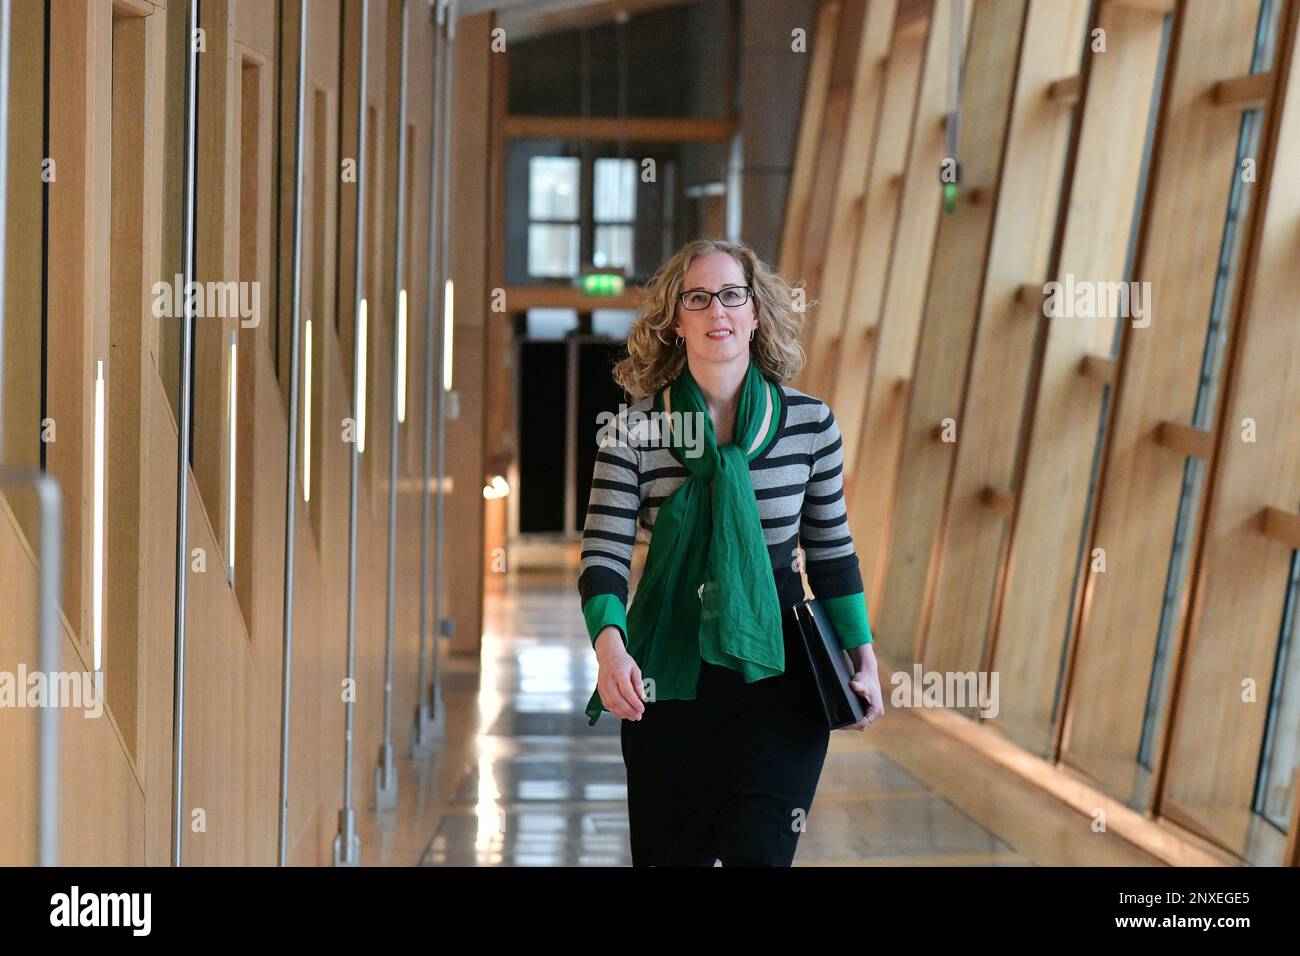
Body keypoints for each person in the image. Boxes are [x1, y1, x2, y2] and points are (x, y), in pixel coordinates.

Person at [578, 237, 884, 867]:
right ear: (675, 320)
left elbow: (830, 553)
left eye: (731, 295)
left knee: (760, 852)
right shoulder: (631, 433)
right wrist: (610, 651)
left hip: (779, 679)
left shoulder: (810, 425)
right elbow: (604, 555)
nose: (716, 310)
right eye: (697, 298)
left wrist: (863, 658)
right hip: (669, 684)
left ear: (755, 313)